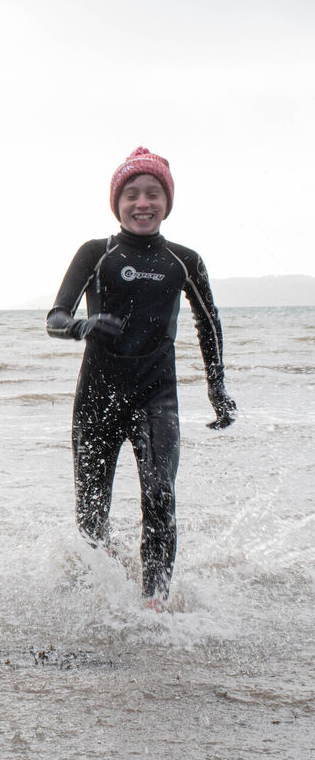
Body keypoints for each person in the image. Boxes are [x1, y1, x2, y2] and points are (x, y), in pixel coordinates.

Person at [46, 147, 236, 611]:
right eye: (132, 194)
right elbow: (55, 316)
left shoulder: (183, 260)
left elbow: (208, 325)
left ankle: (155, 602)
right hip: (96, 396)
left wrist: (218, 390)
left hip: (156, 396)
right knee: (91, 511)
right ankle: (96, 590)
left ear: (167, 202)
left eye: (153, 193)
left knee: (160, 493)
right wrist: (81, 327)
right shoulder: (97, 253)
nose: (143, 203)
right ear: (118, 203)